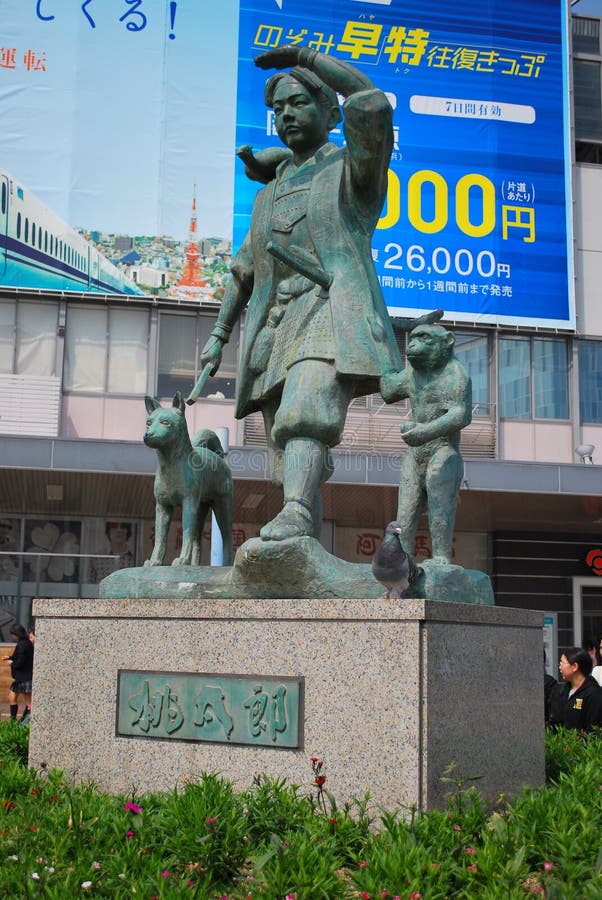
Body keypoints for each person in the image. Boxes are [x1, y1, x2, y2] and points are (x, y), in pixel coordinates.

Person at [199, 46, 405, 542]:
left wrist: (306, 58)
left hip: (329, 311)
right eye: (277, 109)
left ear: (331, 113)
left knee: (304, 416)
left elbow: (371, 100)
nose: (286, 114)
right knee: (283, 446)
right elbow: (244, 270)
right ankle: (301, 528)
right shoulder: (267, 193)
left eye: (298, 102)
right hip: (276, 324)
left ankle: (295, 511)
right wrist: (220, 335)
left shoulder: (352, 172)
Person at [548, 646, 602, 732]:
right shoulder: (559, 690)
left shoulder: (594, 694)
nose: (559, 667)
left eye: (562, 663)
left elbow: (593, 729)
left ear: (574, 667)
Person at [3, 624, 34, 723]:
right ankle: (13, 720)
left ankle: (28, 721)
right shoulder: (25, 643)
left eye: (13, 634)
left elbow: (20, 662)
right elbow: (20, 657)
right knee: (12, 697)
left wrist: (12, 663)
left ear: (17, 634)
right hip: (21, 678)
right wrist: (10, 657)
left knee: (29, 702)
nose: (12, 637)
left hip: (24, 678)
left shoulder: (22, 644)